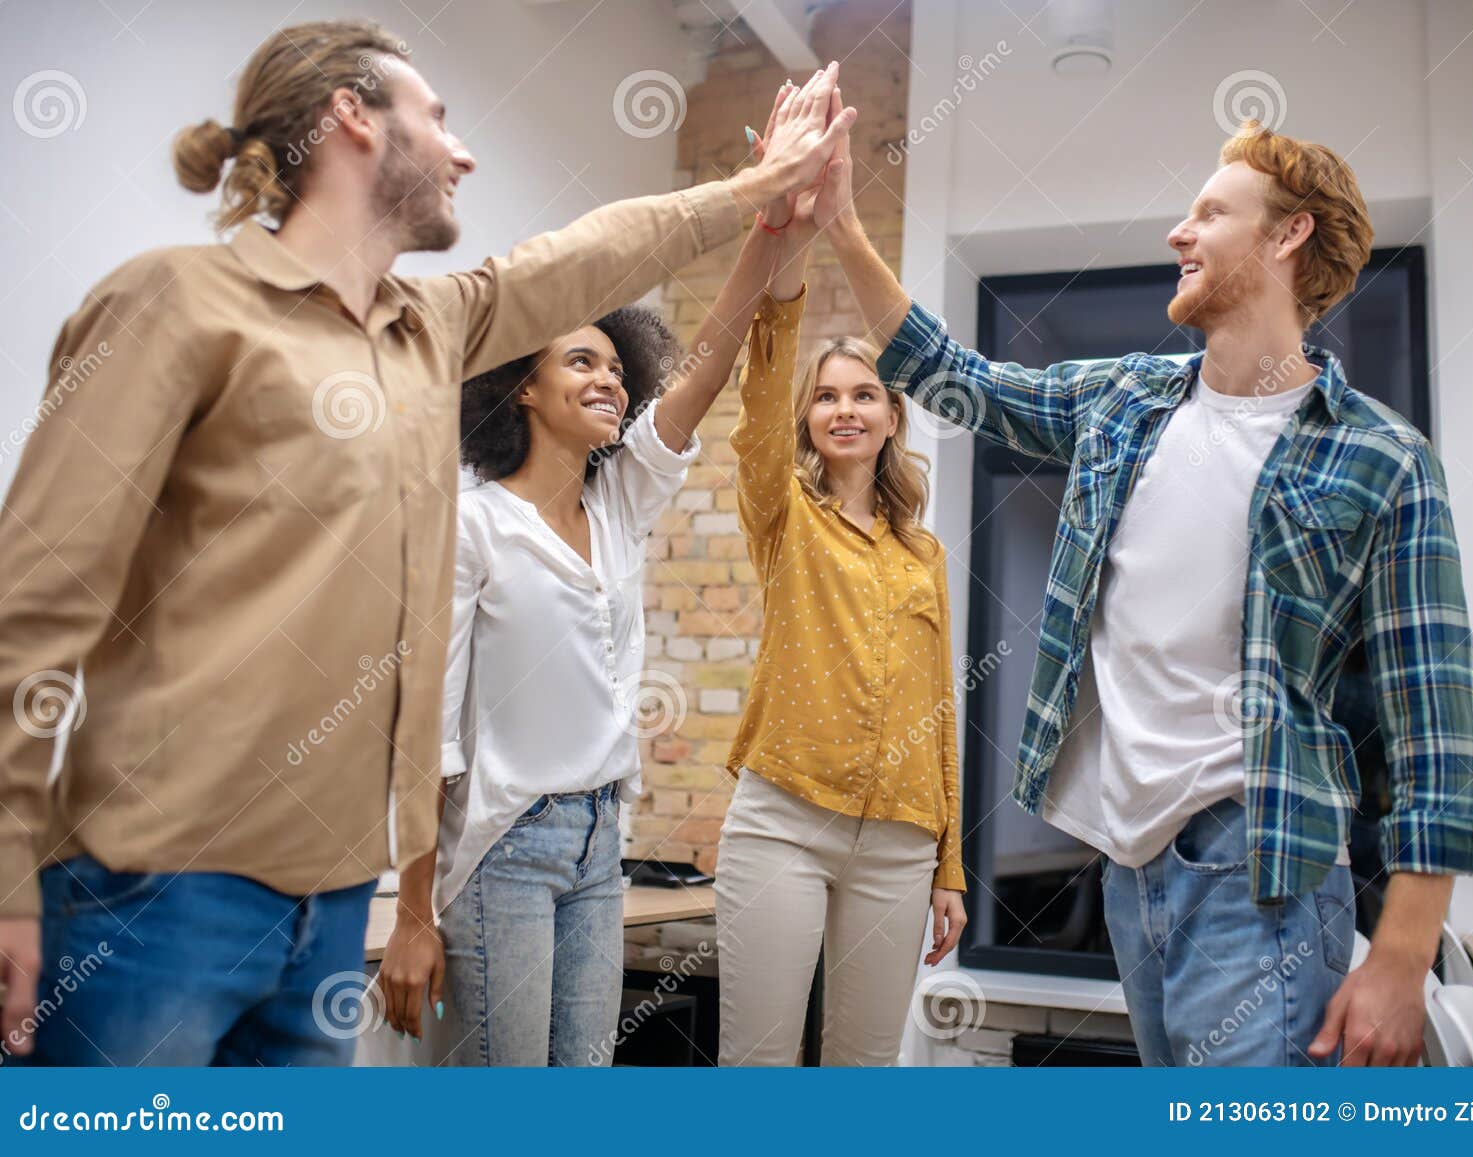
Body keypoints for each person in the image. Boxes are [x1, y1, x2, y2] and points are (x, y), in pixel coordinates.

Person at [0, 19, 852, 1066]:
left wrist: (756, 194)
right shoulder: (177, 303)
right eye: (437, 118)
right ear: (351, 119)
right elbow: (31, 608)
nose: (462, 151)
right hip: (154, 888)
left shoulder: (423, 329)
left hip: (326, 895)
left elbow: (584, 256)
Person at [818, 116, 1473, 1066]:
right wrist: (843, 225)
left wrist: (1401, 954)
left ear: (1287, 235)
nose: (1177, 235)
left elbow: (1438, 727)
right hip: (1129, 863)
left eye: (1209, 214)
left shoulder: (1382, 458)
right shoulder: (1126, 404)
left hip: (1260, 871)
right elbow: (957, 380)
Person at [375, 75, 855, 1066]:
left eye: (612, 364)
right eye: (580, 364)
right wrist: (414, 912)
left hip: (603, 839)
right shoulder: (472, 524)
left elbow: (709, 359)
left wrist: (779, 221)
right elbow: (430, 733)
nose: (610, 380)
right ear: (520, 388)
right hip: (503, 848)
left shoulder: (618, 498)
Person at [713, 101, 966, 1067]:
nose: (844, 408)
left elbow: (941, 712)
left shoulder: (924, 556)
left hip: (900, 847)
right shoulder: (783, 512)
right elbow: (763, 376)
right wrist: (793, 225)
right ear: (810, 417)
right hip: (782, 822)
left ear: (894, 416)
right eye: (828, 396)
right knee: (760, 1071)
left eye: (865, 393)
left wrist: (949, 865)